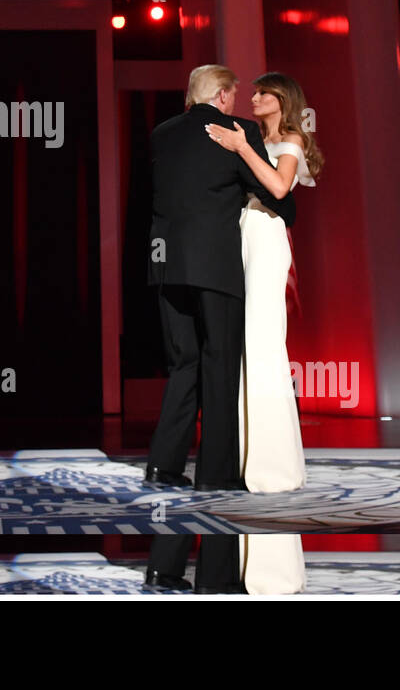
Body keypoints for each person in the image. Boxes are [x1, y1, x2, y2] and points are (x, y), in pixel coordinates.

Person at [144, 65, 294, 593]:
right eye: (237, 96)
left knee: (182, 364)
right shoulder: (239, 134)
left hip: (166, 267)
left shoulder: (161, 133)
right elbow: (275, 193)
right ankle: (216, 472)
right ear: (225, 95)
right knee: (220, 365)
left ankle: (163, 467)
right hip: (215, 269)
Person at [206, 71, 323, 594]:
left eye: (261, 93)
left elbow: (277, 187)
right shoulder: (255, 138)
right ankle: (256, 458)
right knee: (249, 350)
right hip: (243, 237)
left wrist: (239, 146)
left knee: (264, 346)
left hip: (267, 238)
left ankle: (274, 467)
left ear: (283, 101)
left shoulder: (290, 140)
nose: (252, 98)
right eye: (251, 93)